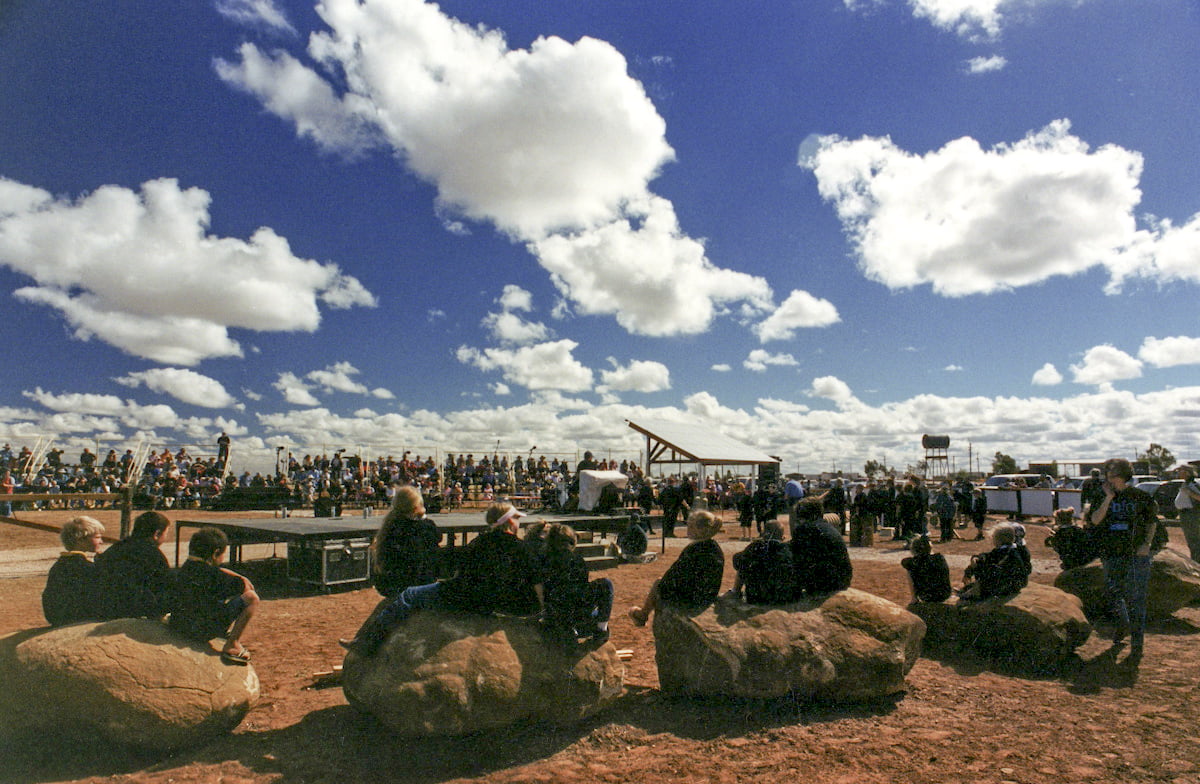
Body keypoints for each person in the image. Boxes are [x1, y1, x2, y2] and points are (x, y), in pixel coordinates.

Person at [341, 503, 544, 655]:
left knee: (409, 595)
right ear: (509, 521)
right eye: (516, 518)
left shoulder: (480, 542)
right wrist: (542, 610)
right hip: (499, 603)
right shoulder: (522, 548)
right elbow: (536, 580)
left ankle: (367, 643)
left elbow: (457, 568)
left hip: (465, 597)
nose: (518, 521)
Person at [1088, 458, 1158, 665]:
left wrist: (1146, 544)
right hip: (1111, 553)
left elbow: (1152, 522)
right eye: (1107, 474)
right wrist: (1108, 498)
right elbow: (1095, 520)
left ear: (1121, 476)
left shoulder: (1140, 496)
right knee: (1114, 594)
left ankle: (1137, 643)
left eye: (1111, 474)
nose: (1108, 479)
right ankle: (1123, 625)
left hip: (1135, 554)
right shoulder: (1101, 495)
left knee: (1137, 599)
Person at [168, 527, 260, 665]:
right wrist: (241, 577)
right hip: (202, 630)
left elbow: (213, 569)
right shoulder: (215, 576)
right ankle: (232, 644)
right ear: (215, 553)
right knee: (252, 598)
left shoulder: (185, 568)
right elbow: (244, 587)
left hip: (178, 624)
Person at [628, 510, 724, 626]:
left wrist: (661, 588)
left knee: (658, 583)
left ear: (699, 529)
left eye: (690, 526)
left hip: (692, 600)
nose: (687, 529)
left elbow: (673, 575)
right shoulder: (714, 548)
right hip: (707, 596)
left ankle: (643, 614)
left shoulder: (694, 550)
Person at [539, 523, 613, 648]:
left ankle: (570, 629)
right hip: (575, 615)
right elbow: (582, 587)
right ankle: (602, 629)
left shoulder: (544, 558)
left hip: (554, 614)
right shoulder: (576, 559)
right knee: (606, 584)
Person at [95, 510, 171, 620]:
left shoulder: (115, 548)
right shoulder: (154, 555)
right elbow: (164, 590)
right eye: (166, 534)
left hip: (106, 609)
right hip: (135, 613)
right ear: (157, 534)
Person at [369, 485, 442, 597]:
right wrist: (423, 517)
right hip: (418, 584)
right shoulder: (424, 527)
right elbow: (438, 537)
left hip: (391, 585)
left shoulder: (391, 525)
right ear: (416, 507)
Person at [43, 515, 106, 626]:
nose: (101, 541)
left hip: (55, 616)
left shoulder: (61, 563)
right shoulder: (81, 566)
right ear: (80, 539)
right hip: (74, 617)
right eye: (97, 537)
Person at [790, 497, 852, 596]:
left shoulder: (804, 529)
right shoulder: (827, 527)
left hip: (823, 585)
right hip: (842, 580)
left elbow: (795, 557)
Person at [727, 520, 797, 604]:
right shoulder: (788, 548)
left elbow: (737, 560)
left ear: (764, 534)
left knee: (743, 562)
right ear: (782, 537)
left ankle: (736, 590)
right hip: (784, 597)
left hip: (757, 596)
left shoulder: (755, 546)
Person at [958, 523, 1030, 601]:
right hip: (1017, 583)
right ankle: (971, 588)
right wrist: (978, 558)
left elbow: (990, 564)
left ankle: (975, 592)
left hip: (1008, 585)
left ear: (998, 540)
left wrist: (974, 569)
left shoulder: (1004, 552)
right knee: (986, 567)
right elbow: (989, 556)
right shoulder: (1012, 550)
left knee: (986, 571)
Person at [901, 535, 951, 603]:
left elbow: (904, 562)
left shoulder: (913, 562)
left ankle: (914, 598)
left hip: (926, 596)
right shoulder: (939, 558)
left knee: (909, 570)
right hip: (944, 594)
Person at [1174, 465, 1200, 562]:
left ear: (1187, 473)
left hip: (1191, 514)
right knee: (1191, 541)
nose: (1178, 473)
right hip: (1186, 514)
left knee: (1194, 540)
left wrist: (1189, 492)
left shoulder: (1192, 485)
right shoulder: (1186, 484)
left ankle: (1197, 562)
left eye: (1180, 471)